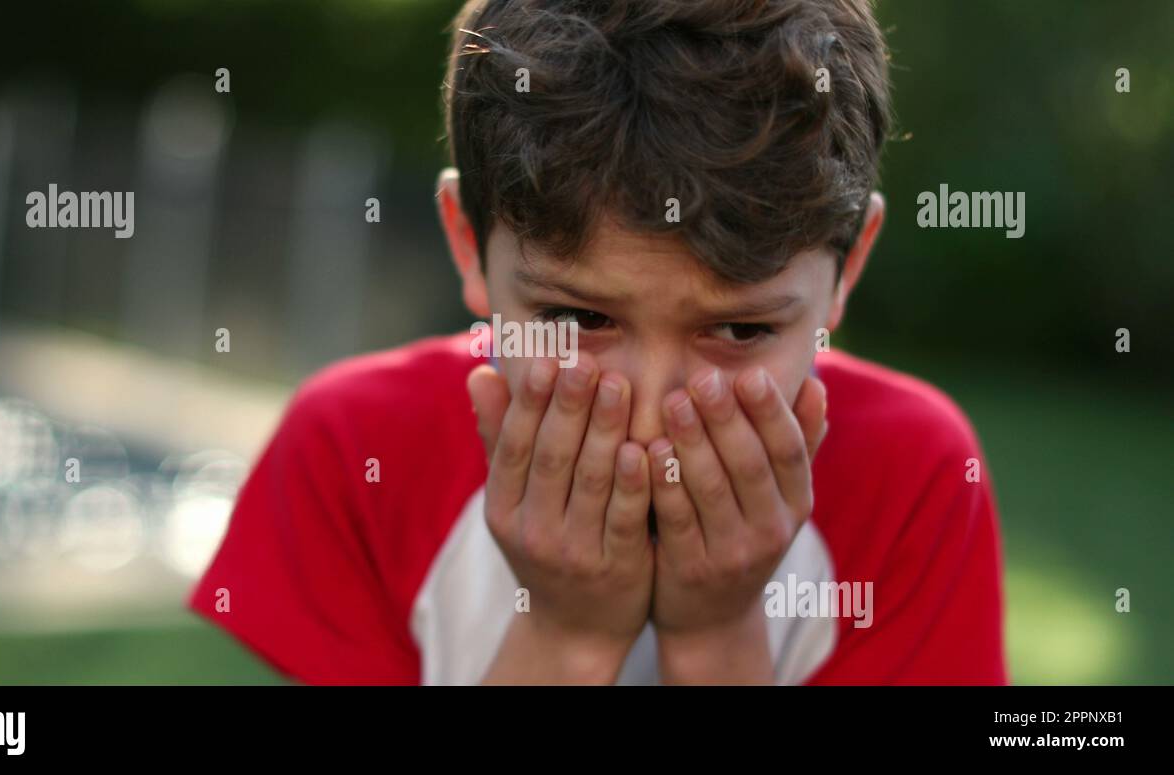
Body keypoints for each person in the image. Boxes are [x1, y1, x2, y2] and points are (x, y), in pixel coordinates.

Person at [189, 0, 1007, 685]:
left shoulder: (916, 483)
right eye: (578, 320)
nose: (651, 418)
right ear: (468, 244)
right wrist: (565, 638)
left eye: (742, 328)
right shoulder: (355, 453)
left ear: (848, 266)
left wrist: (719, 637)